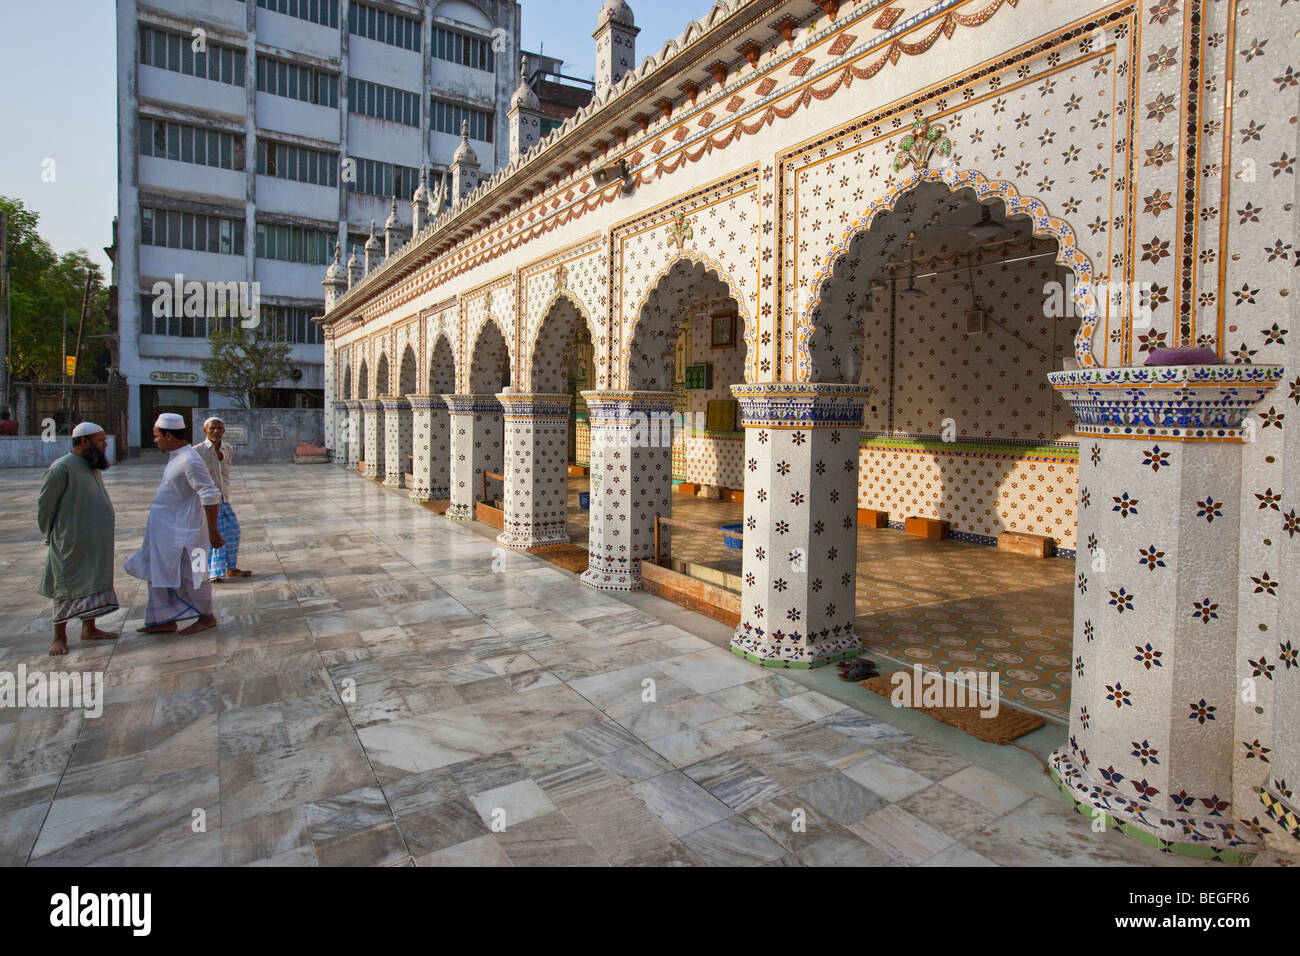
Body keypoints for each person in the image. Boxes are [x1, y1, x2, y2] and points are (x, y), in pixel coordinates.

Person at [124, 413, 224, 635]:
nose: (155, 440)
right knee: (159, 573)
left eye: (157, 436)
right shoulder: (176, 457)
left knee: (197, 574)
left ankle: (207, 617)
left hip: (190, 534)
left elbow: (209, 494)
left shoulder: (190, 459)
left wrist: (213, 530)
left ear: (169, 435)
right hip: (167, 534)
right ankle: (164, 619)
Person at [37, 422, 119, 656]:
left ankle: (89, 628)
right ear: (84, 441)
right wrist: (51, 534)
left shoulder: (90, 464)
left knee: (91, 582)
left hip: (94, 541)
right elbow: (45, 506)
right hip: (70, 540)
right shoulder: (61, 467)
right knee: (66, 584)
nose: (105, 444)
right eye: (101, 440)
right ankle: (59, 636)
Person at [193, 416, 250, 582]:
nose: (216, 431)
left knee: (233, 532)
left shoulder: (227, 449)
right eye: (212, 428)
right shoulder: (197, 451)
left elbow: (225, 473)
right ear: (205, 430)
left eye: (219, 428)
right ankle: (213, 573)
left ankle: (230, 568)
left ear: (224, 431)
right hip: (207, 501)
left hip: (223, 498)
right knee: (214, 534)